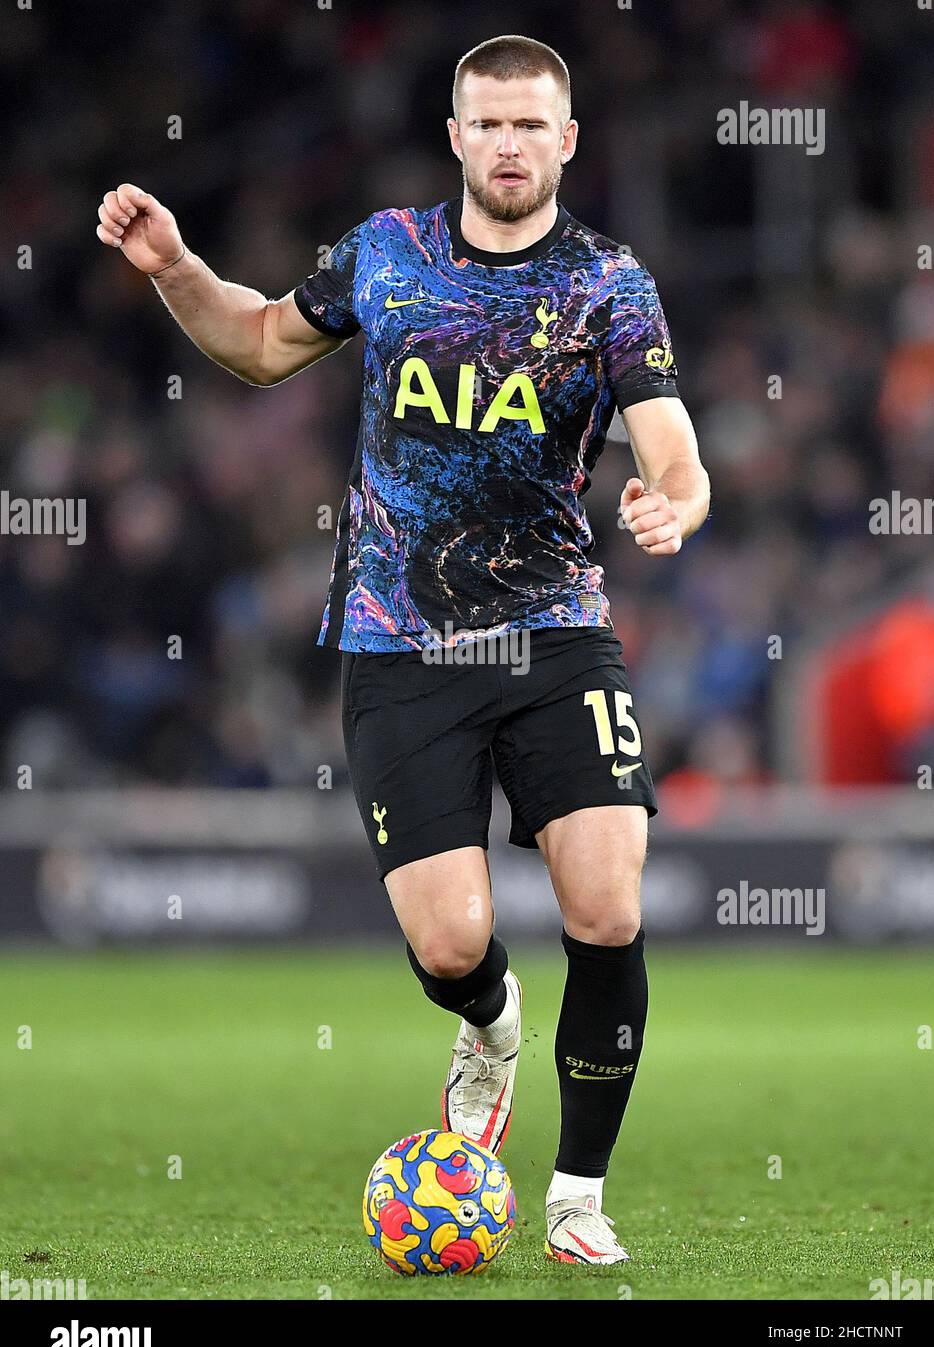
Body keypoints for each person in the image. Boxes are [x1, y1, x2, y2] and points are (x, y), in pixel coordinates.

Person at [96, 33, 710, 1266]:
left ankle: (576, 1194)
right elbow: (260, 344)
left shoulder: (606, 282)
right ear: (454, 136)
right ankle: (487, 1022)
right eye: (487, 123)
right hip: (398, 638)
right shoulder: (386, 252)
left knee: (604, 903)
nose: (508, 144)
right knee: (446, 941)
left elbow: (671, 442)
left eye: (532, 125)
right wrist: (176, 272)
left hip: (553, 629)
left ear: (567, 140)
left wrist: (673, 500)